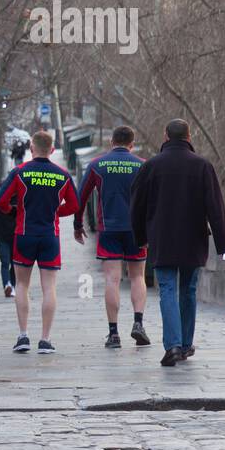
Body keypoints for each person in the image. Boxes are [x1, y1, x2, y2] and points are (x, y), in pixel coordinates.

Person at [130, 118, 225, 367]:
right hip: (193, 239)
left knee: (167, 289)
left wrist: (140, 238)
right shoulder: (202, 166)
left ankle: (173, 346)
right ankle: (186, 344)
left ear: (166, 136)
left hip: (163, 239)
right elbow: (216, 209)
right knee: (188, 290)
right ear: (189, 137)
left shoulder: (151, 166)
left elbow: (136, 205)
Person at [0, 130, 78, 354]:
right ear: (52, 150)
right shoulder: (62, 175)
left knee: (22, 285)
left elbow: (1, 201)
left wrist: (14, 211)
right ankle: (45, 339)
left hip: (24, 233)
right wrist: (55, 212)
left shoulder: (20, 172)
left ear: (32, 149)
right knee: (49, 287)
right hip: (50, 235)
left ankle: (23, 336)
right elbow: (74, 204)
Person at [73, 125, 150, 348]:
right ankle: (138, 323)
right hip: (136, 229)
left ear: (111, 142)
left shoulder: (97, 164)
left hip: (108, 228)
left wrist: (78, 224)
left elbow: (82, 196)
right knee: (137, 277)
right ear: (132, 144)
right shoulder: (142, 165)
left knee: (112, 280)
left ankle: (113, 333)